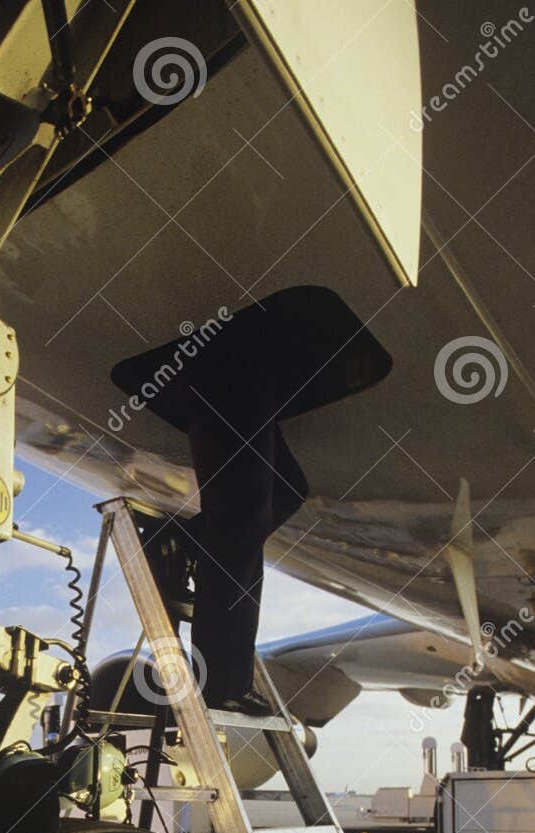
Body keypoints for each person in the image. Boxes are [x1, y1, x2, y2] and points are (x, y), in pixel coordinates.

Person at [110, 285, 392, 714]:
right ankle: (222, 682)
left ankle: (190, 541)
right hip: (227, 371)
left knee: (280, 493)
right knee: (238, 527)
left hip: (231, 374)